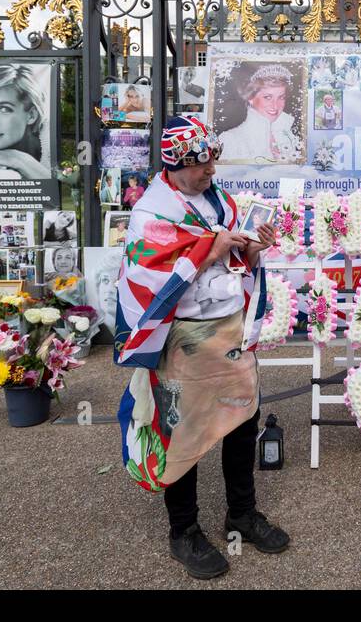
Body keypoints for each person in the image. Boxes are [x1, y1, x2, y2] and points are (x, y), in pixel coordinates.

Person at [116, 116, 289, 579]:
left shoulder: (219, 200)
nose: (212, 170)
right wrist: (208, 250)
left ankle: (242, 513)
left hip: (228, 333)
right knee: (182, 431)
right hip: (184, 339)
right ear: (175, 165)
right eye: (202, 164)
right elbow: (146, 273)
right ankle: (184, 530)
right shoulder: (152, 212)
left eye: (213, 160)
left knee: (241, 421)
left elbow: (234, 263)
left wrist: (252, 249)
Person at [218, 64, 302, 163]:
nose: (275, 105)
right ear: (251, 98)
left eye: (281, 97)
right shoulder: (230, 139)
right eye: (267, 97)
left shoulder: (287, 134)